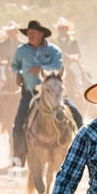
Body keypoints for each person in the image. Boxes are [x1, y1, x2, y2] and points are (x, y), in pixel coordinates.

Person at [10, 19, 83, 167]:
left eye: (33, 33)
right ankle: (19, 155)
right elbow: (15, 65)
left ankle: (80, 151)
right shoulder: (21, 50)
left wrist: (40, 67)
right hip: (30, 92)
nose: (30, 35)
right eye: (28, 33)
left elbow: (58, 65)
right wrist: (17, 73)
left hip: (54, 92)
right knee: (18, 123)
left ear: (41, 34)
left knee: (77, 116)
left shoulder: (54, 50)